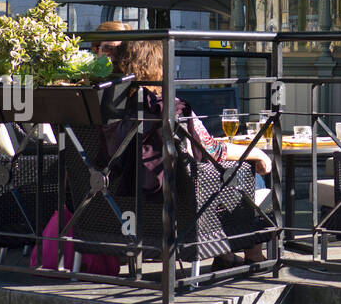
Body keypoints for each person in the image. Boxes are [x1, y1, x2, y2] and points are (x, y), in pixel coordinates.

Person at [106, 38, 271, 268]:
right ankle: (252, 254)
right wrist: (257, 154)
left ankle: (227, 256)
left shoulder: (106, 110)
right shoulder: (168, 107)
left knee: (226, 177)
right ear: (158, 67)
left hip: (115, 204)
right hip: (176, 205)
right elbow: (212, 149)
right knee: (252, 176)